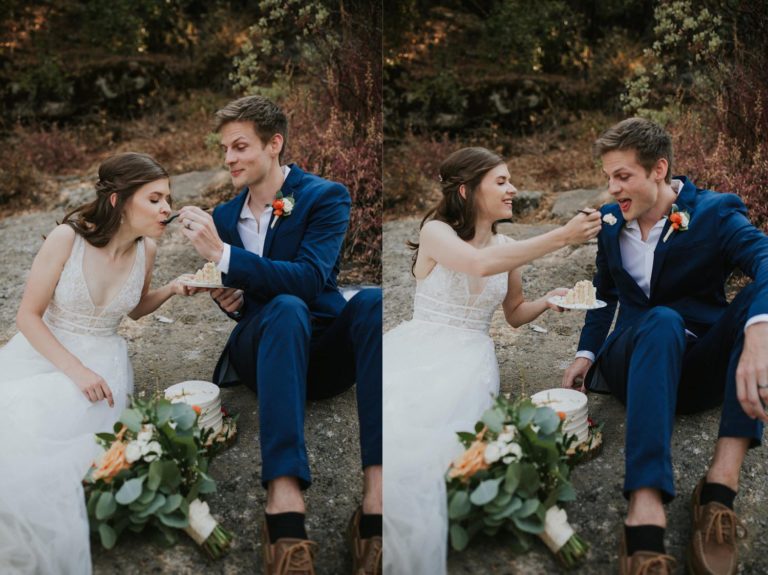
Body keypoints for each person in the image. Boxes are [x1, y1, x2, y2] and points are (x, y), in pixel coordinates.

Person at [176, 95, 382, 575]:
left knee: (373, 301)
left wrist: (224, 257)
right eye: (225, 149)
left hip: (323, 356)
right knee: (285, 309)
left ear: (274, 144)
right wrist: (230, 298)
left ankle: (376, 502)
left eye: (240, 146)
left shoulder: (325, 196)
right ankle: (284, 507)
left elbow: (310, 279)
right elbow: (246, 297)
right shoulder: (223, 217)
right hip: (263, 354)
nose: (229, 158)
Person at [561, 117, 768, 575]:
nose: (612, 189)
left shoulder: (714, 213)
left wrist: (759, 331)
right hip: (635, 361)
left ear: (659, 169)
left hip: (698, 368)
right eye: (608, 177)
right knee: (662, 320)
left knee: (760, 303)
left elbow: (765, 258)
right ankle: (645, 508)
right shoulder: (610, 222)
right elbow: (604, 293)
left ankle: (719, 489)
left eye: (622, 176)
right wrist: (585, 354)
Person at [382, 146, 603, 575]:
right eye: (501, 181)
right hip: (419, 346)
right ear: (466, 190)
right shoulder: (436, 232)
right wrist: (562, 236)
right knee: (401, 430)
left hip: (471, 358)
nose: (512, 189)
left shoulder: (508, 247)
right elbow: (478, 264)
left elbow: (514, 313)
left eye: (510, 181)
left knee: (450, 441)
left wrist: (547, 301)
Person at [0, 152, 190, 574]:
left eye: (168, 199)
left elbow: (134, 308)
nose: (167, 208)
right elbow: (27, 316)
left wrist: (173, 289)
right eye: (155, 199)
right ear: (118, 200)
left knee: (66, 435)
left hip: (106, 363)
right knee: (19, 420)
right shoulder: (66, 240)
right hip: (45, 351)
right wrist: (77, 371)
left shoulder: (147, 249)